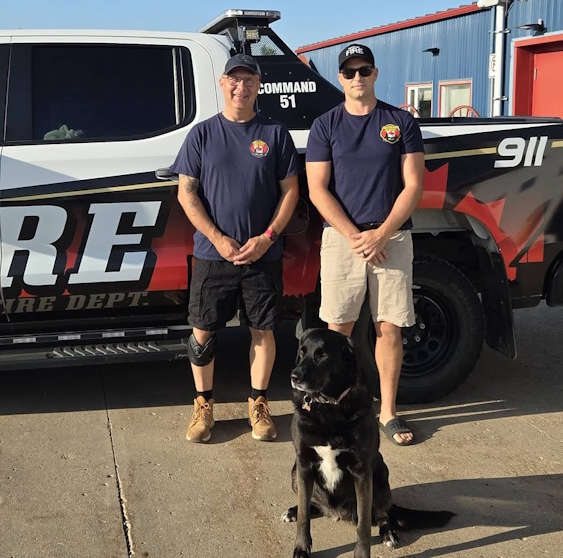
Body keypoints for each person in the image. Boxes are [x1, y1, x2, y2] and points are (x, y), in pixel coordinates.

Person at [172, 53, 300, 443]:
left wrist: (268, 238)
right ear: (222, 84)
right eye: (234, 80)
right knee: (203, 332)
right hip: (214, 255)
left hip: (263, 255)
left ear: (259, 86)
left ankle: (258, 405)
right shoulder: (202, 135)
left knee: (263, 330)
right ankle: (203, 405)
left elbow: (291, 192)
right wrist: (218, 238)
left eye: (248, 80)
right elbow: (186, 193)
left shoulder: (275, 134)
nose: (240, 87)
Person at [305, 44, 425, 446]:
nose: (358, 78)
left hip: (392, 237)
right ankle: (334, 409)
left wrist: (382, 233)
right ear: (340, 78)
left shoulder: (400, 122)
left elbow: (414, 185)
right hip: (343, 241)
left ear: (375, 74)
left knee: (388, 328)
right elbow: (317, 190)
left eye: (365, 70)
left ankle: (387, 412)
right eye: (350, 72)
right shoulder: (325, 126)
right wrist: (356, 237)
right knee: (336, 331)